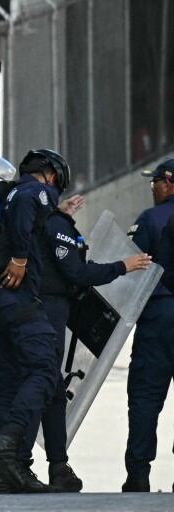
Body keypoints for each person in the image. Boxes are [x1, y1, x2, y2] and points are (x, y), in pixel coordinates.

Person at [22, 184, 150, 492]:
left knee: (50, 388)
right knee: (42, 386)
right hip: (48, 313)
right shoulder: (52, 224)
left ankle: (51, 465)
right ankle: (21, 463)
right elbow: (77, 273)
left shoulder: (30, 220)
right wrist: (122, 266)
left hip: (37, 311)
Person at [0, 148, 66, 493]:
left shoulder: (0, 195)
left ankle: (1, 473)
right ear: (52, 176)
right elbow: (28, 204)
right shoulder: (33, 191)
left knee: (7, 386)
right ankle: (8, 442)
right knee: (44, 370)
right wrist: (21, 258)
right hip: (19, 299)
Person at [123, 157, 174, 492]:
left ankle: (138, 475)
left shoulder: (151, 219)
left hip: (159, 317)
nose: (152, 188)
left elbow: (132, 268)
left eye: (154, 182)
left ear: (168, 182)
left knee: (145, 397)